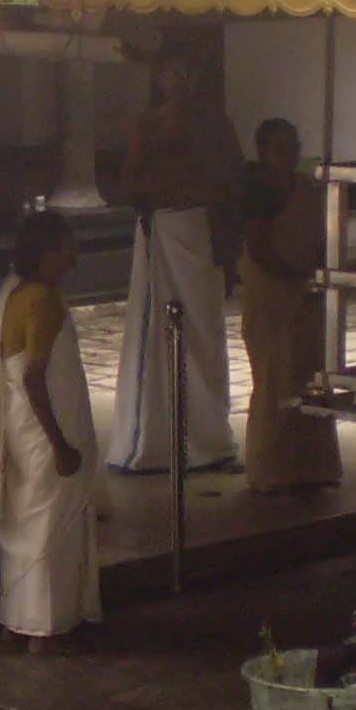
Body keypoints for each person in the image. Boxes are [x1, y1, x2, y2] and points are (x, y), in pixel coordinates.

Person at [0, 210, 103, 649]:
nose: (74, 258)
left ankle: (17, 620)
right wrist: (60, 443)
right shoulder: (42, 300)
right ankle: (46, 628)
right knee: (49, 527)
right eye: (67, 248)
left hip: (20, 428)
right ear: (48, 253)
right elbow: (33, 377)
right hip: (44, 431)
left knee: (24, 525)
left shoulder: (14, 294)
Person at [109, 52, 240, 472]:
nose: (179, 80)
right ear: (159, 78)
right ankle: (152, 441)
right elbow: (131, 180)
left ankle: (208, 440)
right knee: (158, 332)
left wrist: (229, 248)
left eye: (186, 72)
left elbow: (230, 182)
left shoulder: (215, 125)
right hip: (164, 229)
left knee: (204, 332)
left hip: (201, 230)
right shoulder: (145, 125)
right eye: (171, 72)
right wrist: (170, 181)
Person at [238, 117, 345, 493]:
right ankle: (271, 469)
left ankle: (314, 466)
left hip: (307, 295)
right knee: (274, 380)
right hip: (272, 294)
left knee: (310, 375)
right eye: (279, 147)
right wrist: (295, 276)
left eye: (293, 145)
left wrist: (316, 275)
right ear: (263, 152)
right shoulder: (259, 193)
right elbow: (259, 248)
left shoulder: (307, 189)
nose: (289, 153)